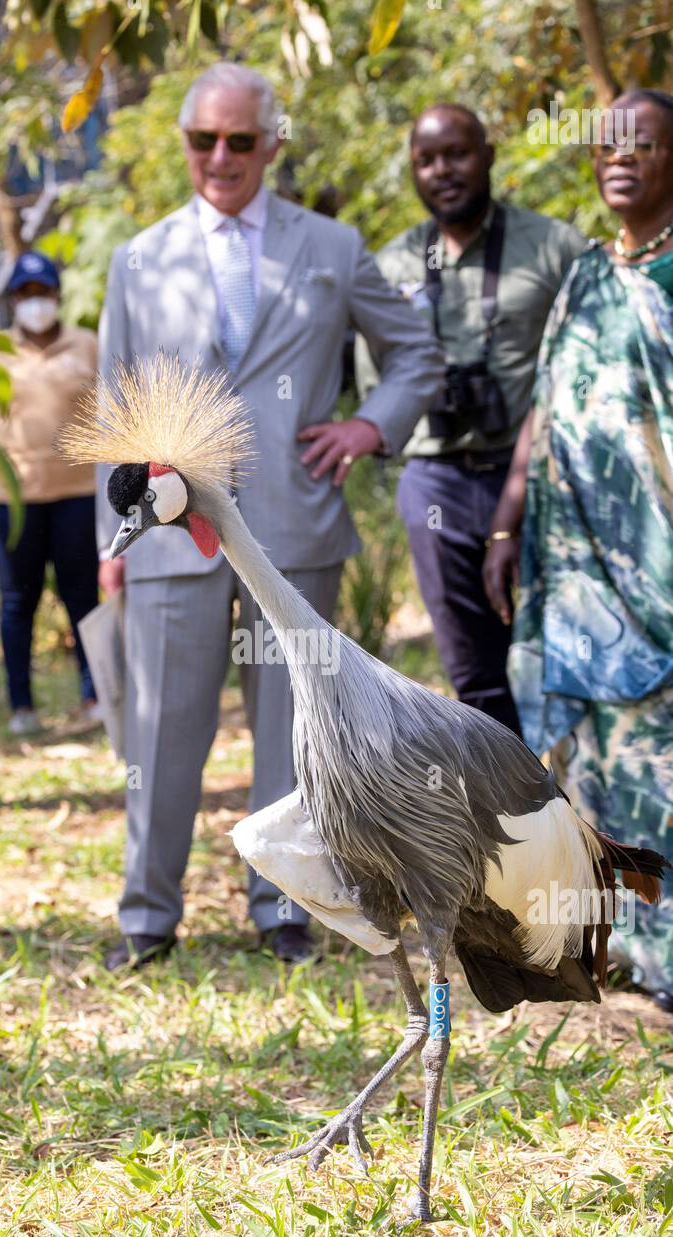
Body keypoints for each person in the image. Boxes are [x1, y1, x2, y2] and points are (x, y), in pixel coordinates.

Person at [97, 62, 444, 968]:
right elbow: (114, 397)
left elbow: (412, 353)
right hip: (171, 532)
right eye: (202, 139)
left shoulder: (331, 247)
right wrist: (114, 536)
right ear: (183, 142)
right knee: (160, 727)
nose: (220, 157)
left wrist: (371, 425)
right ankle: (146, 915)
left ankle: (283, 907)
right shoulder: (138, 258)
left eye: (240, 140)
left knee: (296, 726)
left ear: (273, 143)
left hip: (295, 528)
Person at [484, 90, 673, 1008]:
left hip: (660, 565)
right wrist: (508, 518)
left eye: (642, 143)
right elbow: (550, 406)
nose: (619, 158)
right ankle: (614, 950)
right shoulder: (588, 275)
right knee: (591, 755)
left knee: (660, 749)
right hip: (575, 571)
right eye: (605, 146)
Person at [357, 104, 586, 734]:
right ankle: (516, 813)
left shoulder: (553, 245)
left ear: (488, 154)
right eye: (426, 161)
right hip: (436, 479)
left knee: (564, 649)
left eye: (456, 154)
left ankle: (587, 809)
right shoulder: (392, 263)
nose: (442, 171)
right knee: (474, 672)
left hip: (538, 473)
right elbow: (376, 377)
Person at [0, 251, 99, 734]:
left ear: (58, 295)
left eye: (43, 293)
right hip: (12, 500)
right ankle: (22, 706)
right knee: (18, 601)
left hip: (78, 493)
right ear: (14, 300)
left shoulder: (89, 345)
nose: (35, 303)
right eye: (26, 294)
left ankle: (93, 694)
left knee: (82, 596)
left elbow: (112, 411)